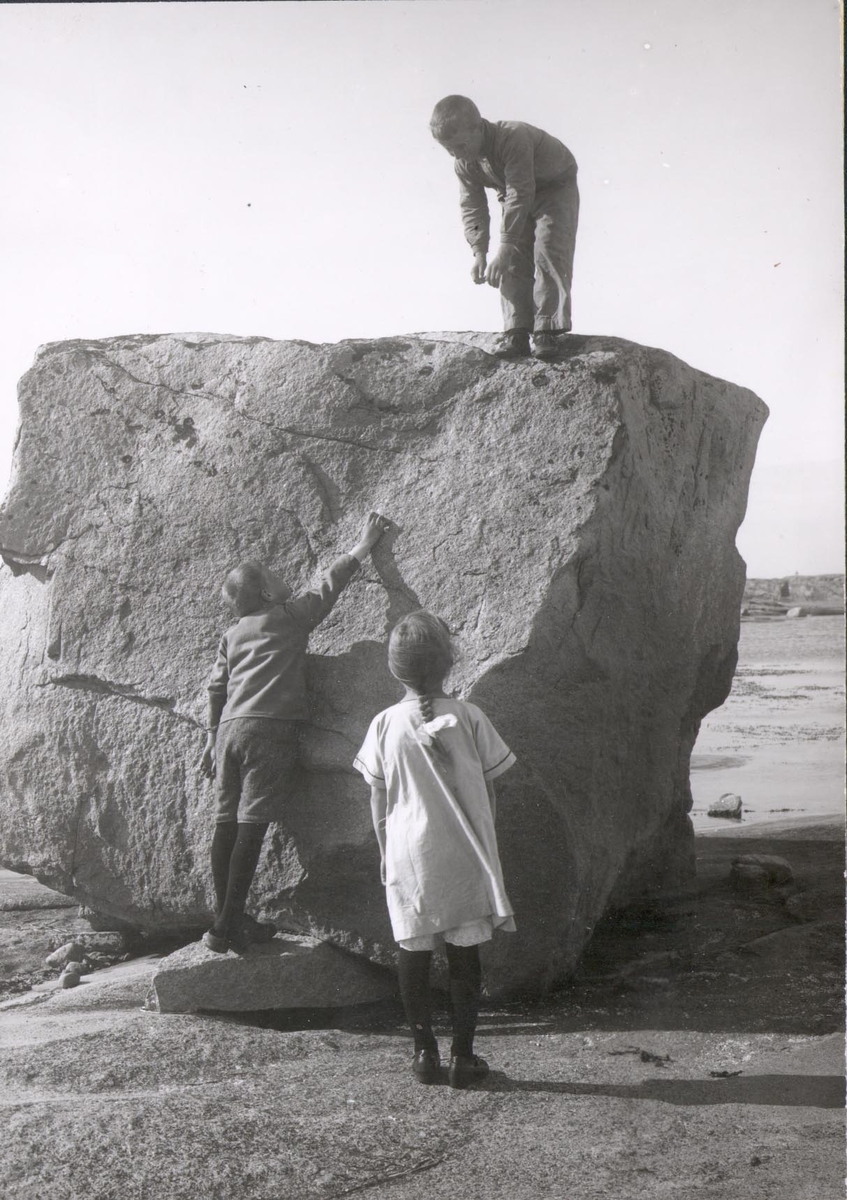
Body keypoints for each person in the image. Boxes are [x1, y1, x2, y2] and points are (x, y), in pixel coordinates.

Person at [199, 511, 389, 954]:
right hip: (270, 728)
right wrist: (364, 545)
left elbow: (214, 687)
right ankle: (225, 924)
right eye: (278, 576)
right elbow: (329, 585)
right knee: (252, 823)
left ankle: (228, 917)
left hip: (229, 730)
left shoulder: (231, 634)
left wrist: (211, 737)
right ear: (268, 592)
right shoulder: (287, 616)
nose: (287, 579)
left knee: (225, 822)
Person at [353, 611, 516, 1088]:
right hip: (465, 852)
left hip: (408, 854)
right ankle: (465, 1059)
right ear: (449, 662)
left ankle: (424, 1055)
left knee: (414, 952)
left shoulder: (384, 723)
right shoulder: (471, 716)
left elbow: (377, 795)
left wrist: (385, 850)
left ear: (394, 668)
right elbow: (492, 787)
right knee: (465, 958)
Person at [430, 94, 579, 361]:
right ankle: (516, 330)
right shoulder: (464, 163)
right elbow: (471, 205)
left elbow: (521, 191)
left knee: (548, 248)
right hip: (510, 192)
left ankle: (547, 329)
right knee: (511, 260)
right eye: (449, 150)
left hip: (554, 188)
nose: (456, 155)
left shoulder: (513, 137)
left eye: (461, 146)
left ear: (477, 128)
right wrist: (479, 252)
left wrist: (504, 246)